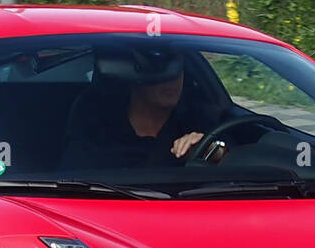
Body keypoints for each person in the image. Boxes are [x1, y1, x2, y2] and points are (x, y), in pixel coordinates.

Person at [61, 48, 221, 172]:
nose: (172, 78)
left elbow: (234, 162)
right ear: (131, 74)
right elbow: (69, 180)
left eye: (177, 68)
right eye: (159, 68)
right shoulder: (97, 128)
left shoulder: (201, 120)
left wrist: (208, 152)